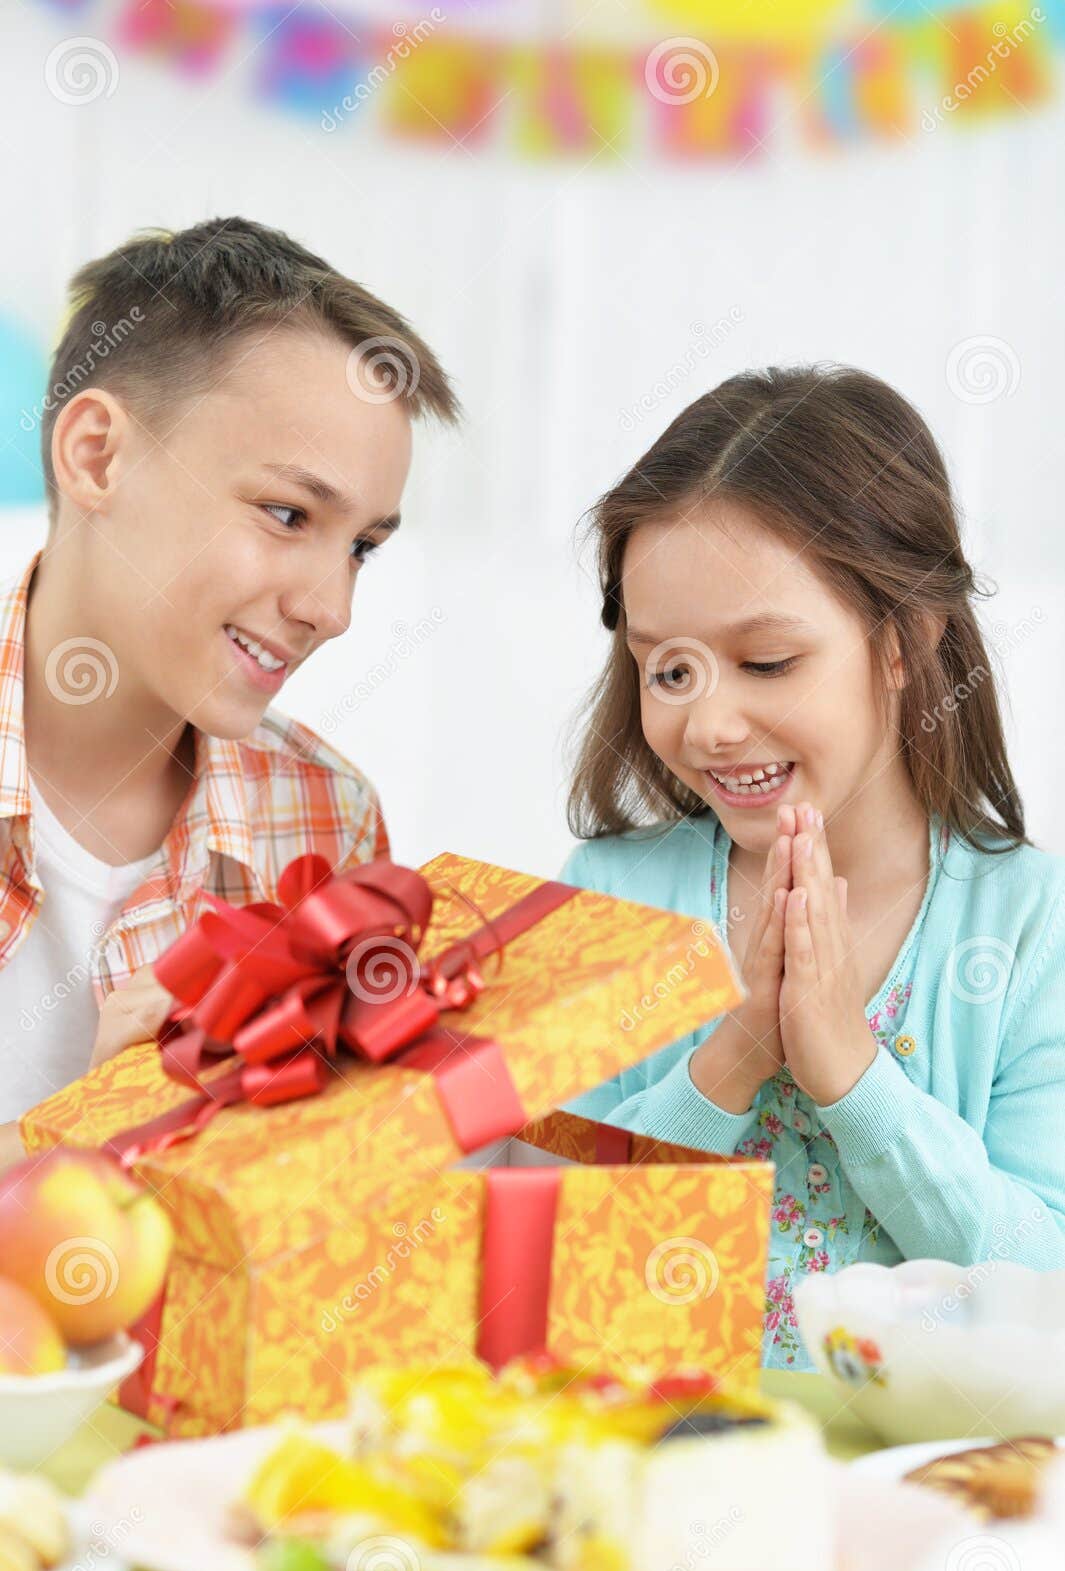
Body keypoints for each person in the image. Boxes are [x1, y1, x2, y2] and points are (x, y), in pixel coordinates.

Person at [560, 364, 1065, 1369]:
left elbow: (1043, 1284)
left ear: (905, 642)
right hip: (654, 1474)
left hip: (936, 1496)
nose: (710, 724)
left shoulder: (1028, 924)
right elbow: (560, 1266)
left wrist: (852, 1074)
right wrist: (733, 1057)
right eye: (669, 667)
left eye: (767, 662)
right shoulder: (611, 896)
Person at [0, 215, 457, 1155]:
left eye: (363, 548)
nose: (332, 609)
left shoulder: (329, 823)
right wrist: (76, 1144)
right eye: (287, 513)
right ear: (98, 456)